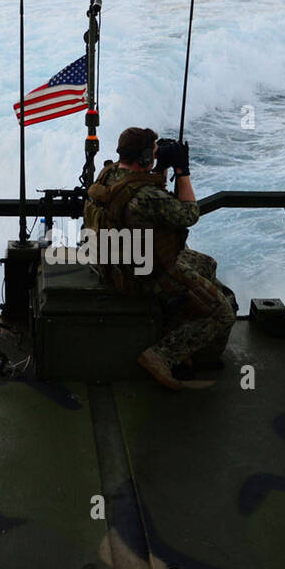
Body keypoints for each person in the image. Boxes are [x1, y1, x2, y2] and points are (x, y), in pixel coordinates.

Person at [83, 127, 235, 390]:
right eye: (153, 153)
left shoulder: (109, 175)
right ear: (143, 159)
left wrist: (159, 167)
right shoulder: (146, 197)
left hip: (116, 262)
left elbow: (147, 196)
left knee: (207, 264)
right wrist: (182, 171)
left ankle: (180, 334)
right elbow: (189, 214)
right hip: (144, 274)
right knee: (222, 313)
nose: (156, 156)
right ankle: (160, 356)